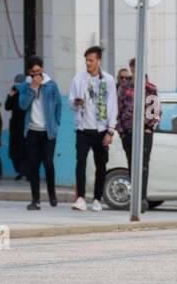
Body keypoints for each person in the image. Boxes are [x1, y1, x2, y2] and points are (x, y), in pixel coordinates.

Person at [68, 45, 116, 211]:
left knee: (101, 165)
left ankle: (97, 198)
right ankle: (80, 197)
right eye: (86, 60)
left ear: (98, 61)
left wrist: (110, 130)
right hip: (83, 128)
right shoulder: (78, 79)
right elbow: (71, 102)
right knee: (80, 162)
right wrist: (75, 103)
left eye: (91, 60)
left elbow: (112, 105)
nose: (88, 63)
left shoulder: (108, 80)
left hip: (101, 129)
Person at [17, 57, 63, 210]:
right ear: (29, 72)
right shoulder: (25, 86)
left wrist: (56, 123)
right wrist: (32, 88)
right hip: (32, 131)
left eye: (39, 71)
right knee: (33, 165)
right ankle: (35, 200)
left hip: (48, 132)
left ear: (42, 69)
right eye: (33, 72)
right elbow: (22, 105)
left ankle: (51, 193)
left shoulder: (51, 85)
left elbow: (59, 105)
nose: (37, 74)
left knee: (48, 162)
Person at [118, 58, 160, 211]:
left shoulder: (150, 88)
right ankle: (134, 196)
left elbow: (154, 113)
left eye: (138, 68)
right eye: (133, 68)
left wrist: (148, 127)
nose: (135, 71)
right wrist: (121, 131)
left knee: (143, 165)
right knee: (131, 164)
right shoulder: (124, 87)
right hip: (128, 131)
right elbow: (119, 110)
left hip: (145, 131)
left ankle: (141, 198)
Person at [4, 79, 26, 178]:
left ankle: (26, 172)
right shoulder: (14, 94)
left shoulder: (27, 94)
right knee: (14, 151)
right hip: (15, 127)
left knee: (25, 150)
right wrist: (10, 96)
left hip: (25, 126)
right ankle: (19, 171)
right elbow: (7, 107)